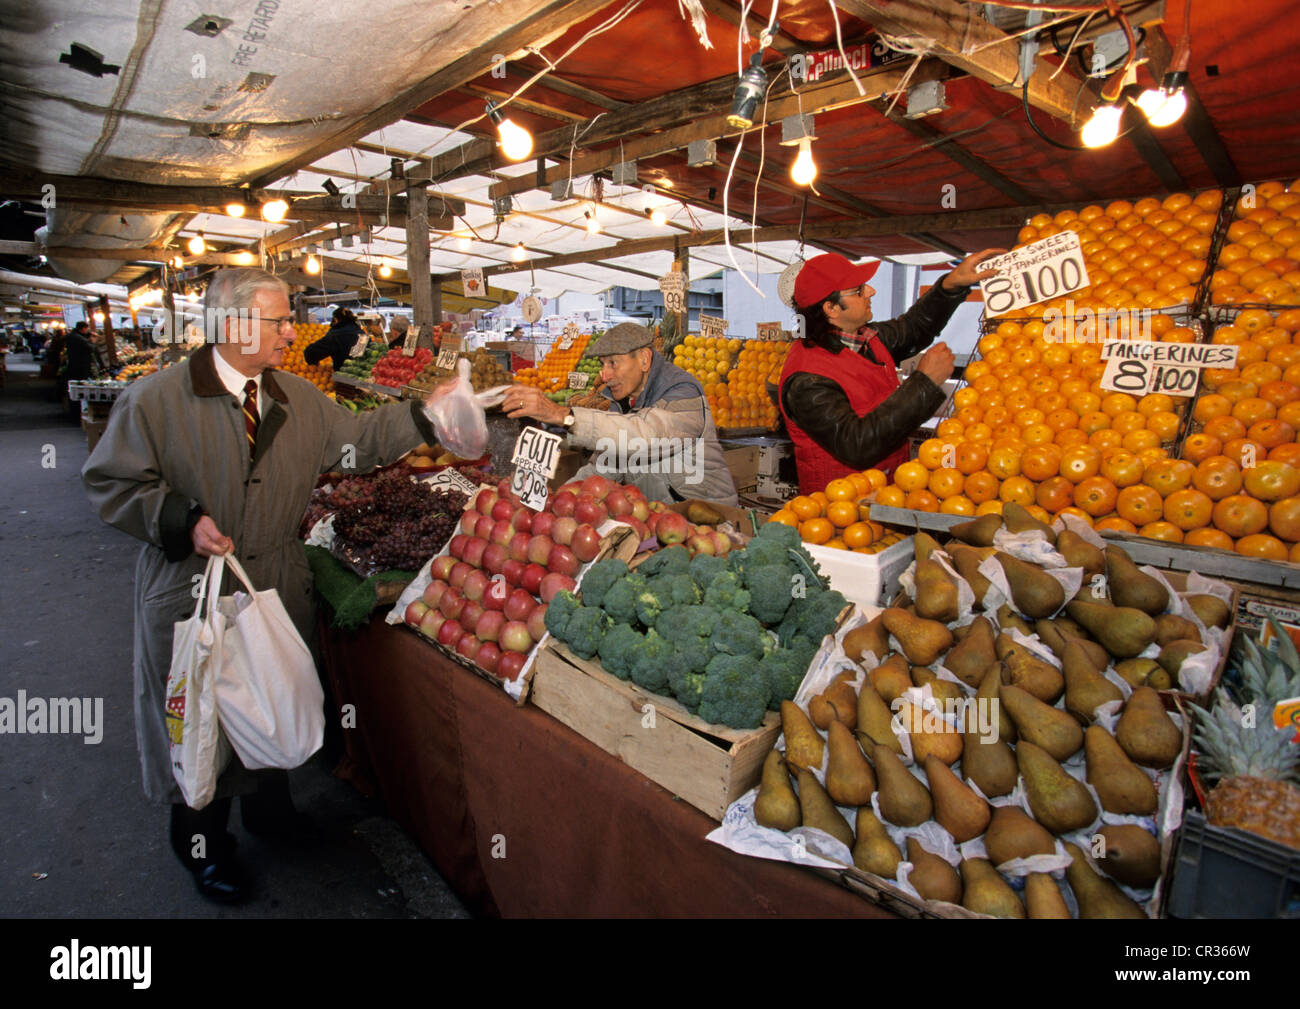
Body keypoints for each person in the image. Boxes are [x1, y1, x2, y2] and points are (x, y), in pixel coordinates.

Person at [81, 268, 452, 904]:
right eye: (279, 320)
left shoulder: (294, 399)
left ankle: (271, 818)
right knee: (200, 719)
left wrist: (425, 415)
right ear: (232, 324)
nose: (291, 331)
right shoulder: (154, 401)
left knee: (269, 697)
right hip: (190, 585)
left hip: (275, 576)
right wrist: (183, 519)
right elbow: (113, 484)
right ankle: (202, 847)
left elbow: (357, 442)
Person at [778, 250, 1002, 493]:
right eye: (859, 290)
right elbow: (857, 445)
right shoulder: (807, 379)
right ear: (831, 308)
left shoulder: (867, 338)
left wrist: (950, 286)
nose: (871, 292)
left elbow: (913, 327)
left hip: (889, 494)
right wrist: (924, 383)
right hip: (837, 511)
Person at [502, 322, 737, 505]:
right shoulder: (622, 402)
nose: (604, 375)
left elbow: (644, 436)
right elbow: (604, 467)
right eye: (603, 365)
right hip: (663, 518)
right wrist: (558, 500)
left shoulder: (683, 392)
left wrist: (566, 416)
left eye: (613, 363)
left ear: (644, 359)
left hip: (706, 517)